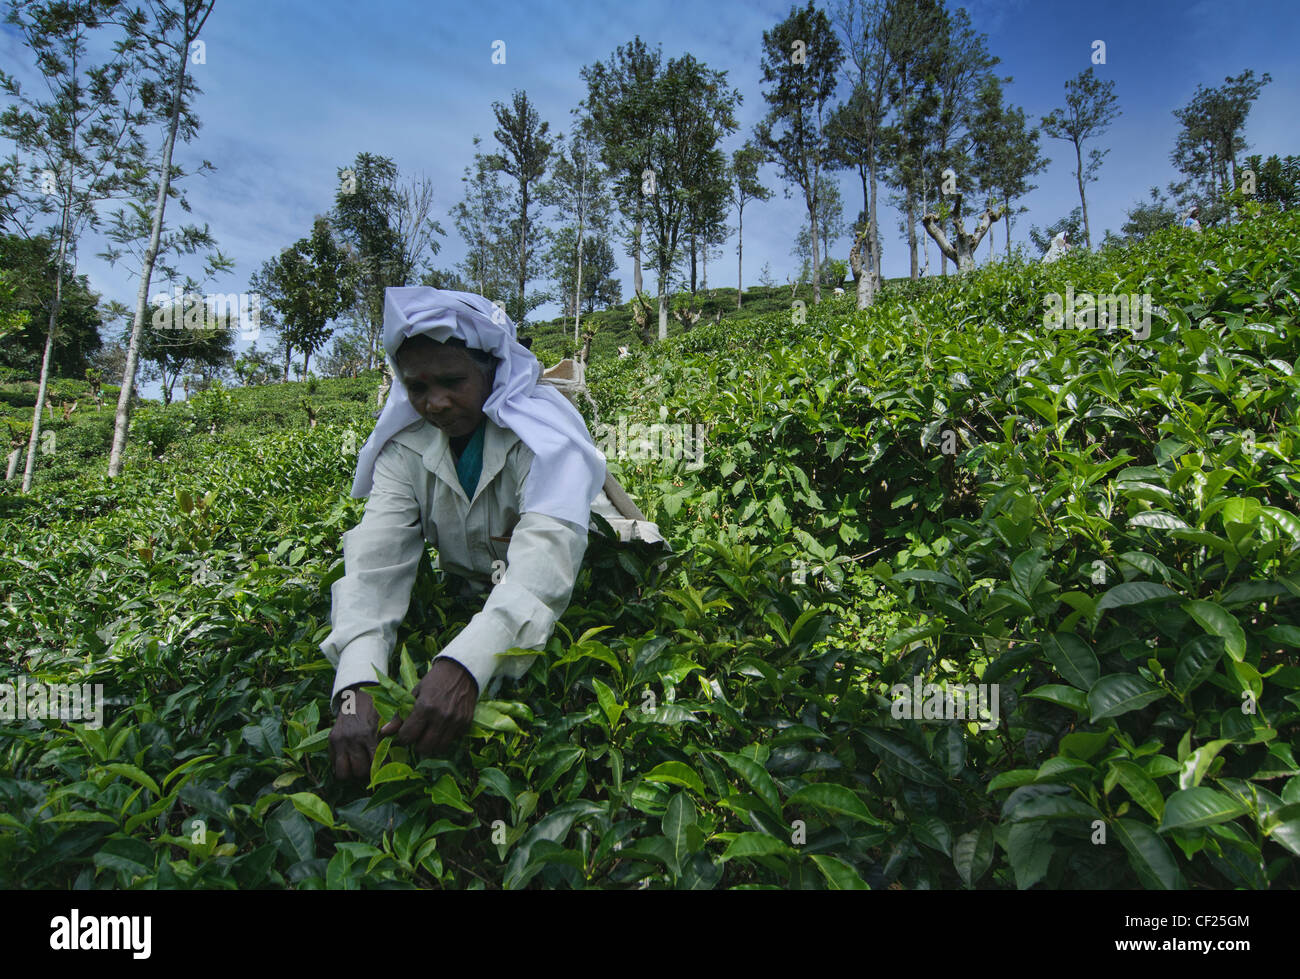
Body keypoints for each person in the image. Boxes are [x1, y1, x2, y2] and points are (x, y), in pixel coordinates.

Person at [324, 287, 636, 779]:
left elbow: (544, 562)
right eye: (418, 388)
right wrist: (356, 682)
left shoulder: (541, 437)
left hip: (585, 598)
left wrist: (466, 665)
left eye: (452, 380)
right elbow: (375, 565)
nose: (437, 403)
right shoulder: (403, 450)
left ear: (491, 370)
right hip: (476, 594)